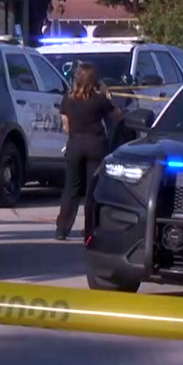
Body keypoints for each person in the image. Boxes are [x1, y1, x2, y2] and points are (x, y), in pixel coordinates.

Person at [55, 62, 122, 241]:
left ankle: (62, 228)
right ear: (94, 80)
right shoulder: (100, 100)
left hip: (75, 144)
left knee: (71, 188)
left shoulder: (67, 99)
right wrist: (107, 95)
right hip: (96, 144)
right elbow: (117, 115)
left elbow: (65, 127)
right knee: (93, 190)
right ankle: (90, 229)